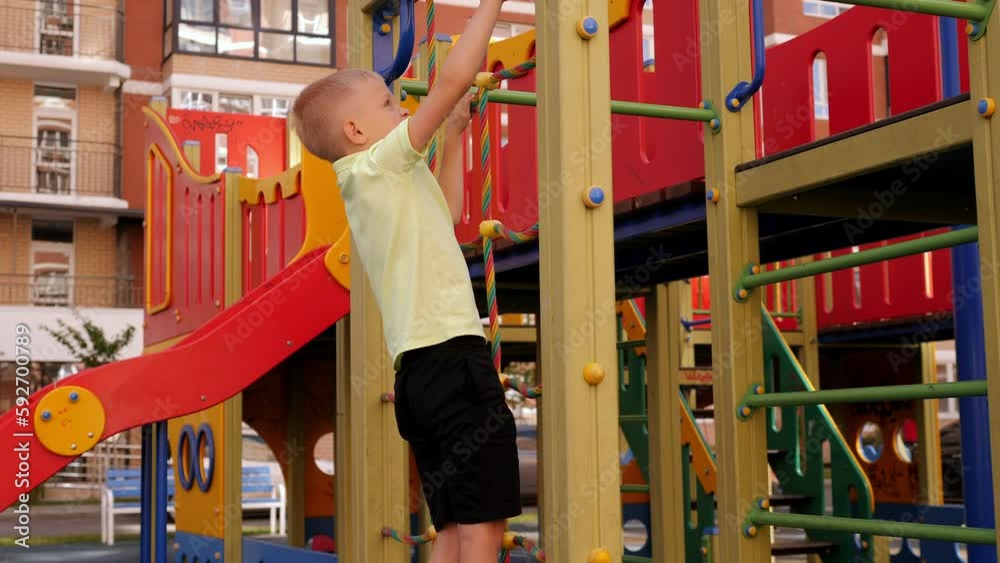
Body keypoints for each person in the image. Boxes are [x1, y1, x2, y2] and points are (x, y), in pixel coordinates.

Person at [289, 0, 521, 560]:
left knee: (454, 528)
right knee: (484, 527)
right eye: (389, 103)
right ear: (355, 129)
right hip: (451, 362)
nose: (402, 108)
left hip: (419, 376)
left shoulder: (373, 180)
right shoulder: (377, 164)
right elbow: (453, 79)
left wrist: (457, 134)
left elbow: (447, 211)